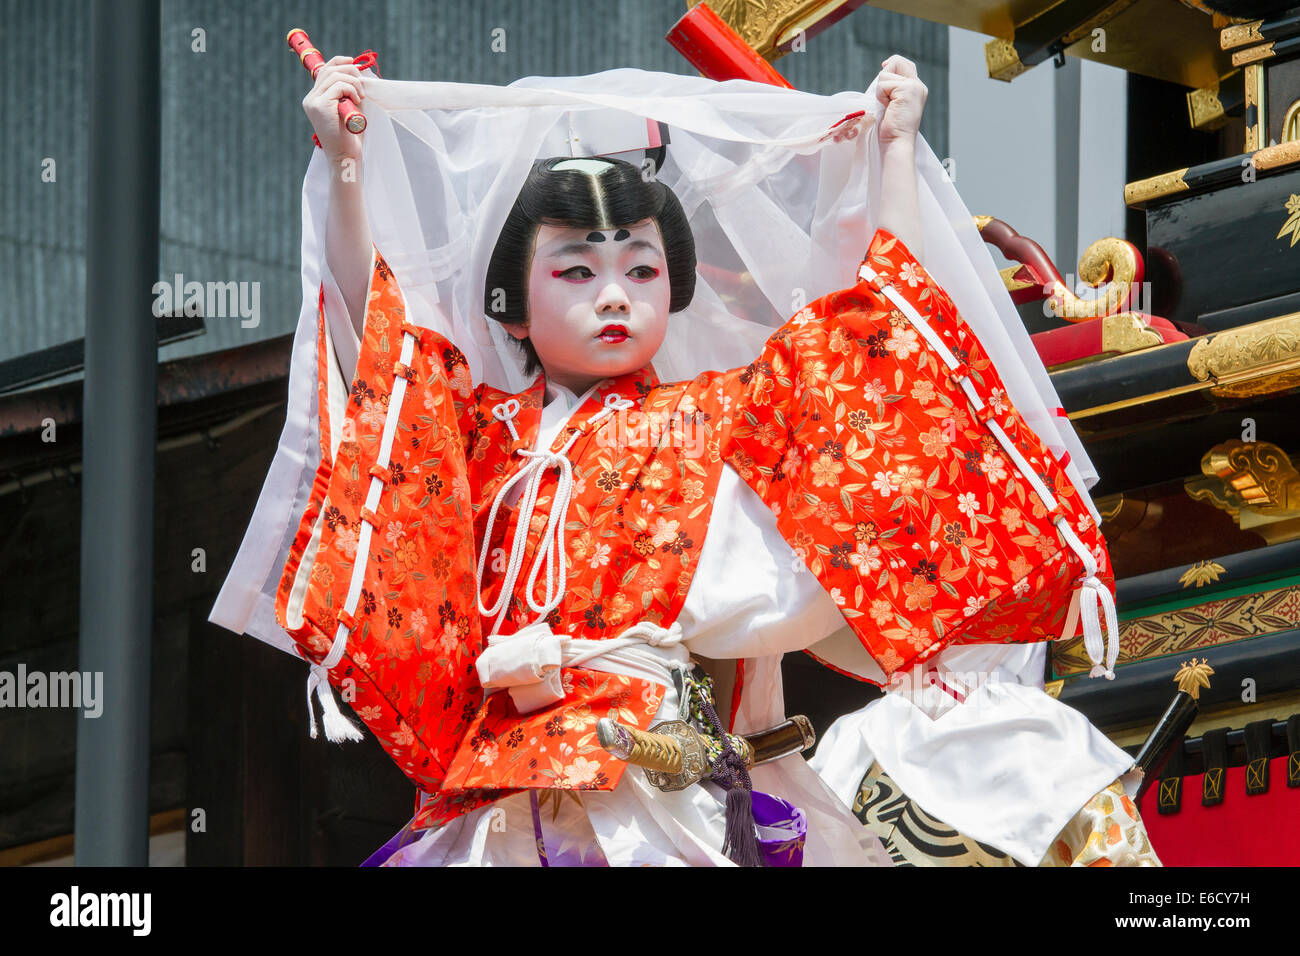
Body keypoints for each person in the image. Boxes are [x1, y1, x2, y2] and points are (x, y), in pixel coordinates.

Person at [211, 54, 1121, 866]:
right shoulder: (480, 434)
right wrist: (343, 164)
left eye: (640, 271)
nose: (614, 296)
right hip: (491, 789)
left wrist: (891, 155)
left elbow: (878, 351)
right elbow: (373, 338)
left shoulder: (713, 418)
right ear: (512, 308)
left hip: (653, 786)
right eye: (576, 271)